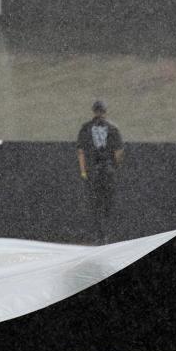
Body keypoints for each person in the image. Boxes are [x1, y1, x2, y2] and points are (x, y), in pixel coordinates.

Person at [76, 100, 125, 244]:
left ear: (93, 111)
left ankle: (100, 235)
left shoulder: (85, 128)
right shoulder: (113, 128)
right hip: (109, 171)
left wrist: (83, 171)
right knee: (108, 202)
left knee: (95, 203)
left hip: (93, 171)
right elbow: (118, 152)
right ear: (105, 111)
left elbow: (81, 152)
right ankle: (107, 235)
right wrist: (116, 167)